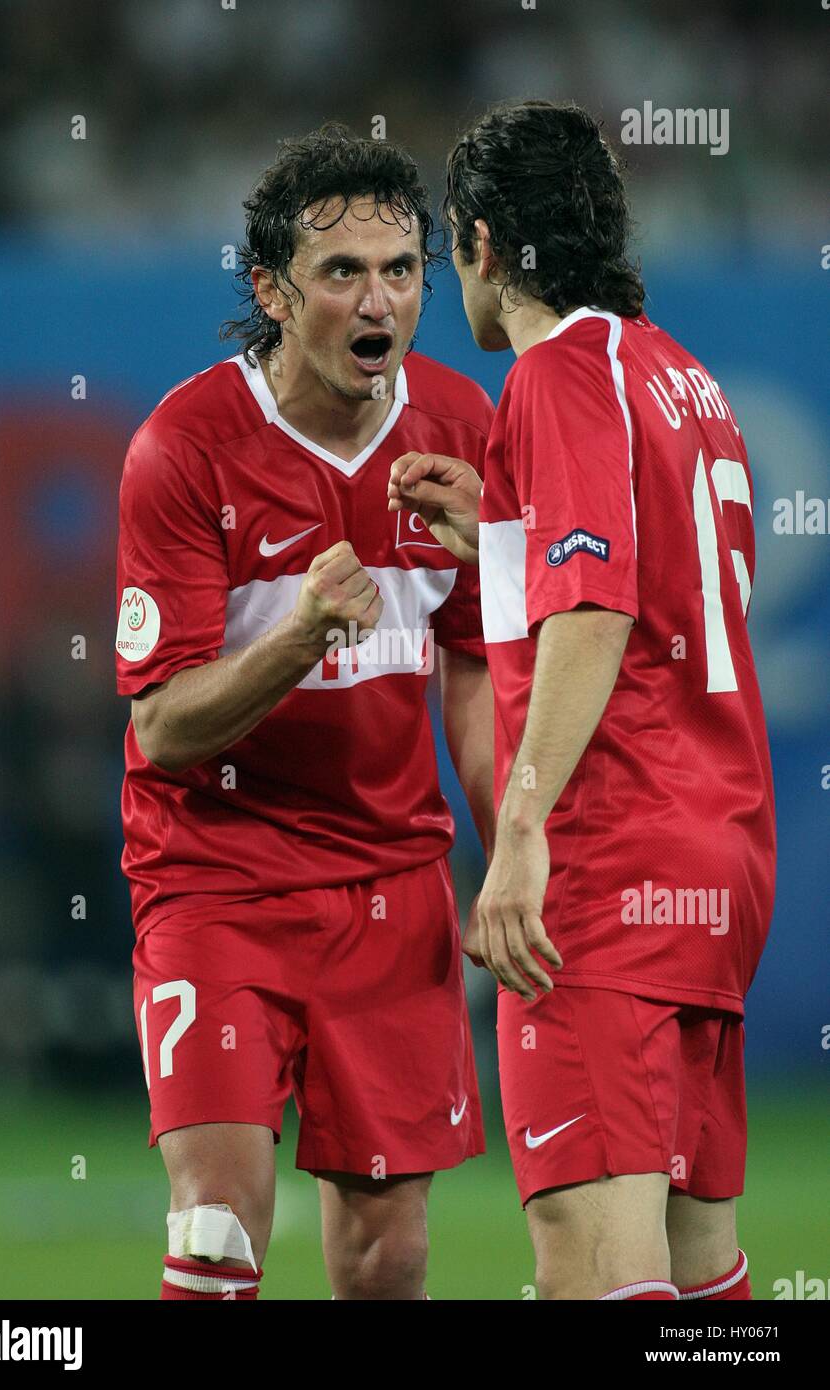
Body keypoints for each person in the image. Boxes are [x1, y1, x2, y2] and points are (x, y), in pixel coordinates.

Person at [388, 99, 776, 1302]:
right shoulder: (679, 378)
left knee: (591, 1280)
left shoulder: (559, 375)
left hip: (605, 871)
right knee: (698, 1274)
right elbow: (650, 593)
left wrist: (516, 829)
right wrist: (498, 536)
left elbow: (599, 612)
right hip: (715, 867)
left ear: (483, 241)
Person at [114, 125, 495, 1301]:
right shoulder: (185, 447)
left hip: (390, 884)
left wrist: (511, 847)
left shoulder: (461, 429)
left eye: (398, 269)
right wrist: (297, 638)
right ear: (271, 290)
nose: (374, 297)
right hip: (216, 877)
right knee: (218, 1227)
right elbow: (161, 729)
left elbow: (474, 668)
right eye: (339, 272)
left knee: (388, 1259)